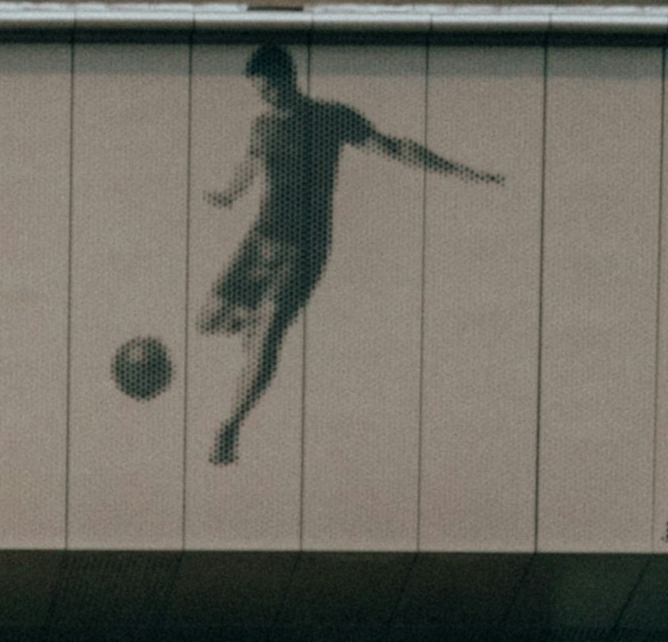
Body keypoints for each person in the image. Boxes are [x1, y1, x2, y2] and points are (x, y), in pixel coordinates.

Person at [195, 44, 497, 468]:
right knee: (207, 321)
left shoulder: (330, 117)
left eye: (272, 89)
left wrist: (462, 171)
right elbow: (252, 161)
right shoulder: (262, 126)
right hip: (261, 239)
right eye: (260, 92)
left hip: (306, 245)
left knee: (268, 333)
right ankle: (251, 320)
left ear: (290, 78)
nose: (267, 98)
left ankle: (230, 425)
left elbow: (395, 147)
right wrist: (229, 193)